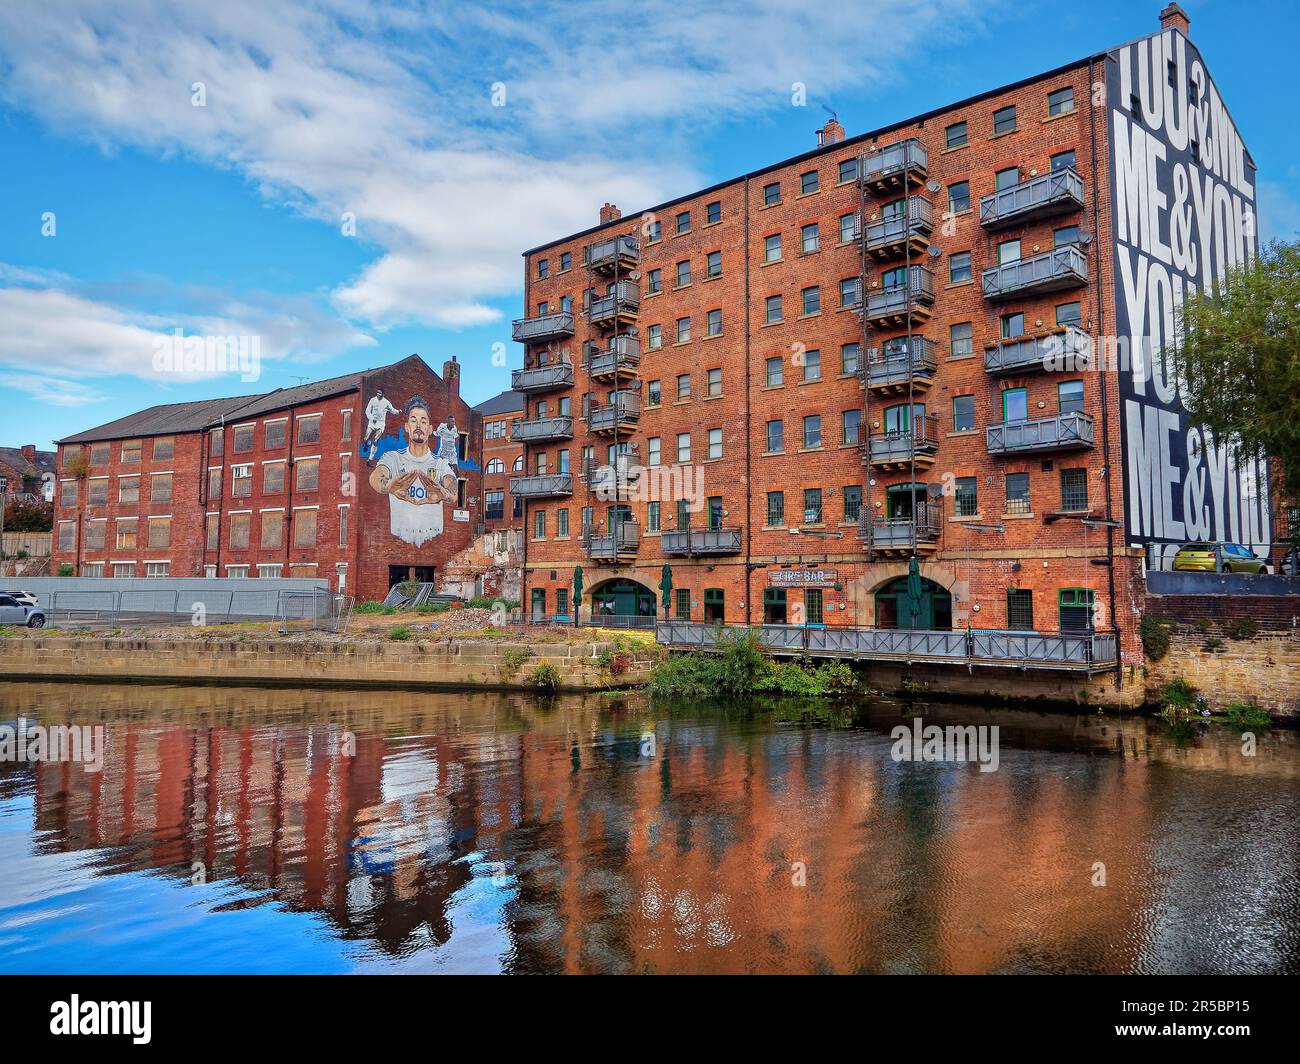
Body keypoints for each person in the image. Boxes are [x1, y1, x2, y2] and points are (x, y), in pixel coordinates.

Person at [368, 395, 455, 546]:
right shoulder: (393, 458)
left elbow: (454, 489)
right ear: (407, 427)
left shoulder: (440, 463)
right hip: (398, 544)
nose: (418, 426)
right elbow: (375, 477)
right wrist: (389, 486)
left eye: (423, 421)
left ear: (429, 429)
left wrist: (444, 493)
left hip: (433, 545)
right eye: (414, 420)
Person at [363, 389, 399, 466]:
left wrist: (397, 412)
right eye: (377, 393)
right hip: (372, 423)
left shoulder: (386, 402)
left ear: (383, 394)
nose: (378, 394)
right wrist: (372, 418)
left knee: (375, 440)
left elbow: (392, 410)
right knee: (365, 439)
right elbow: (367, 411)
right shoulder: (372, 400)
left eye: (380, 393)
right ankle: (367, 444)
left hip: (380, 424)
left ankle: (369, 459)